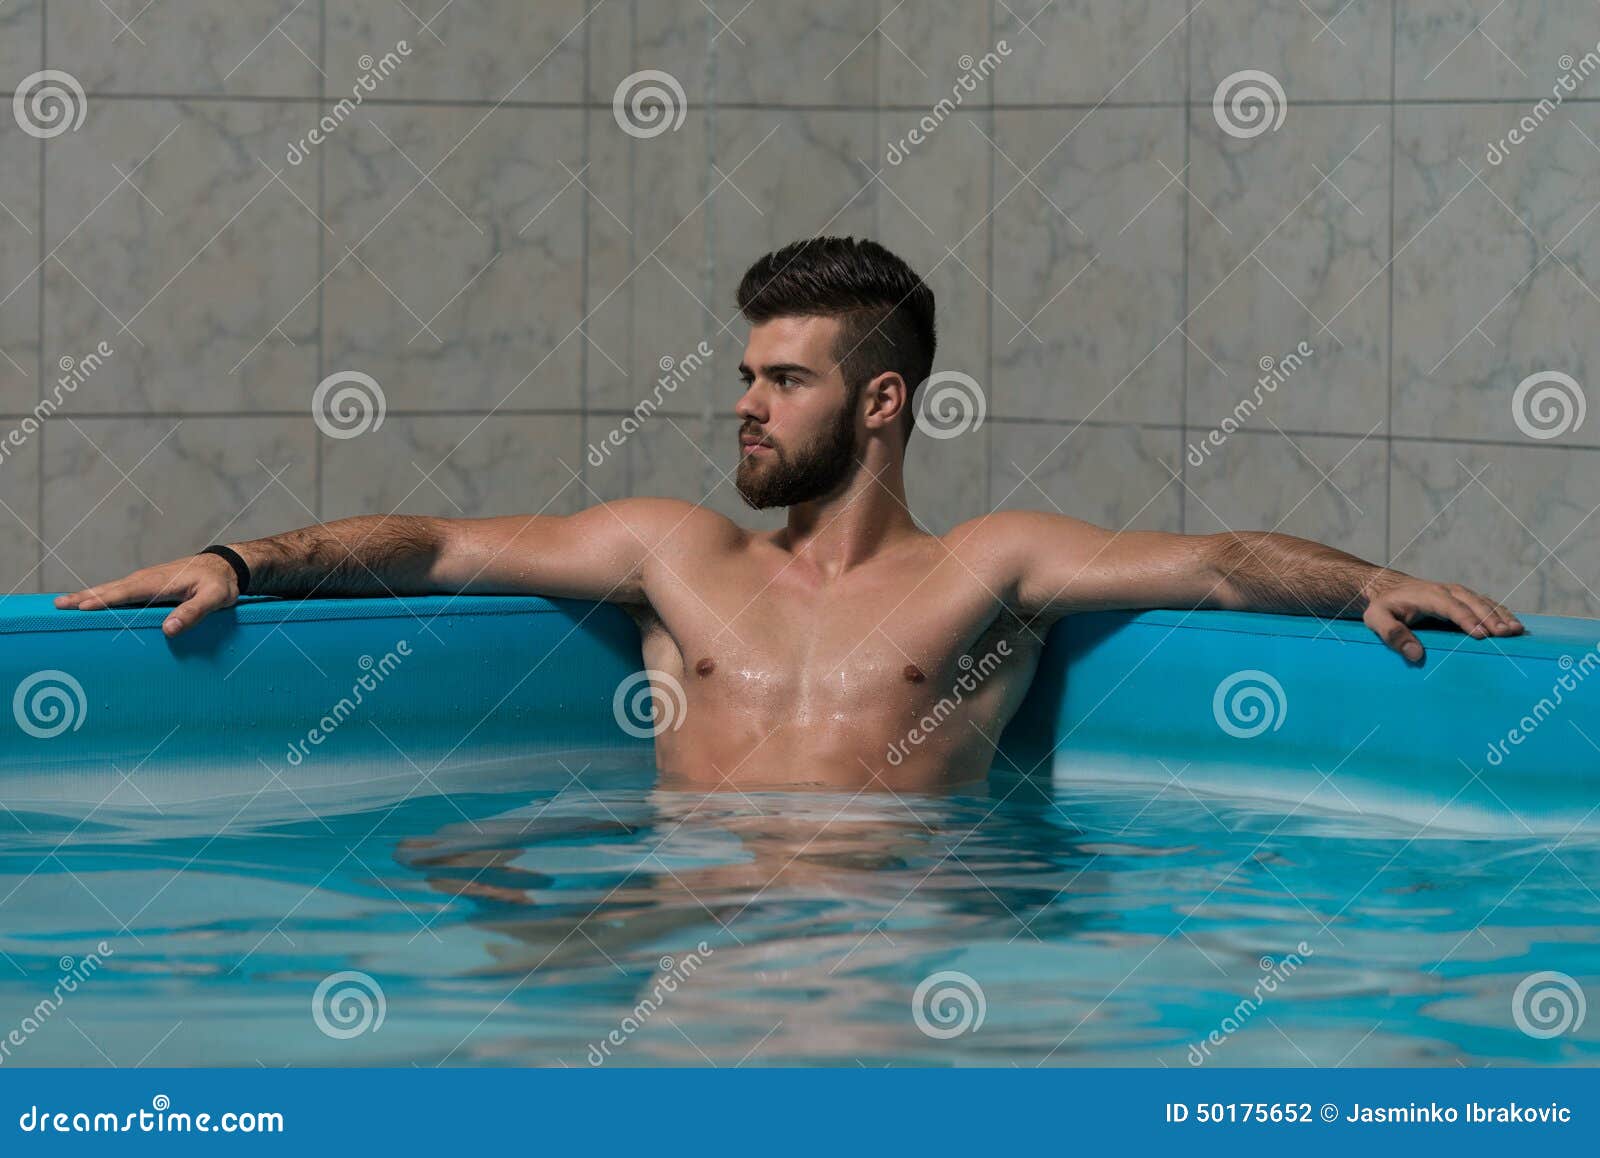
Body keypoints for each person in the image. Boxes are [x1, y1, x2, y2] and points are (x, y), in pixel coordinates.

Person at [54, 237, 1523, 789]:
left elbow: (1213, 563)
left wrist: (1360, 581)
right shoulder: (668, 550)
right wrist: (242, 559)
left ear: (882, 405)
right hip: (673, 924)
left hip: (895, 949)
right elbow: (432, 546)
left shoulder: (990, 564)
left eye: (785, 378)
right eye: (745, 374)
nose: (746, 404)